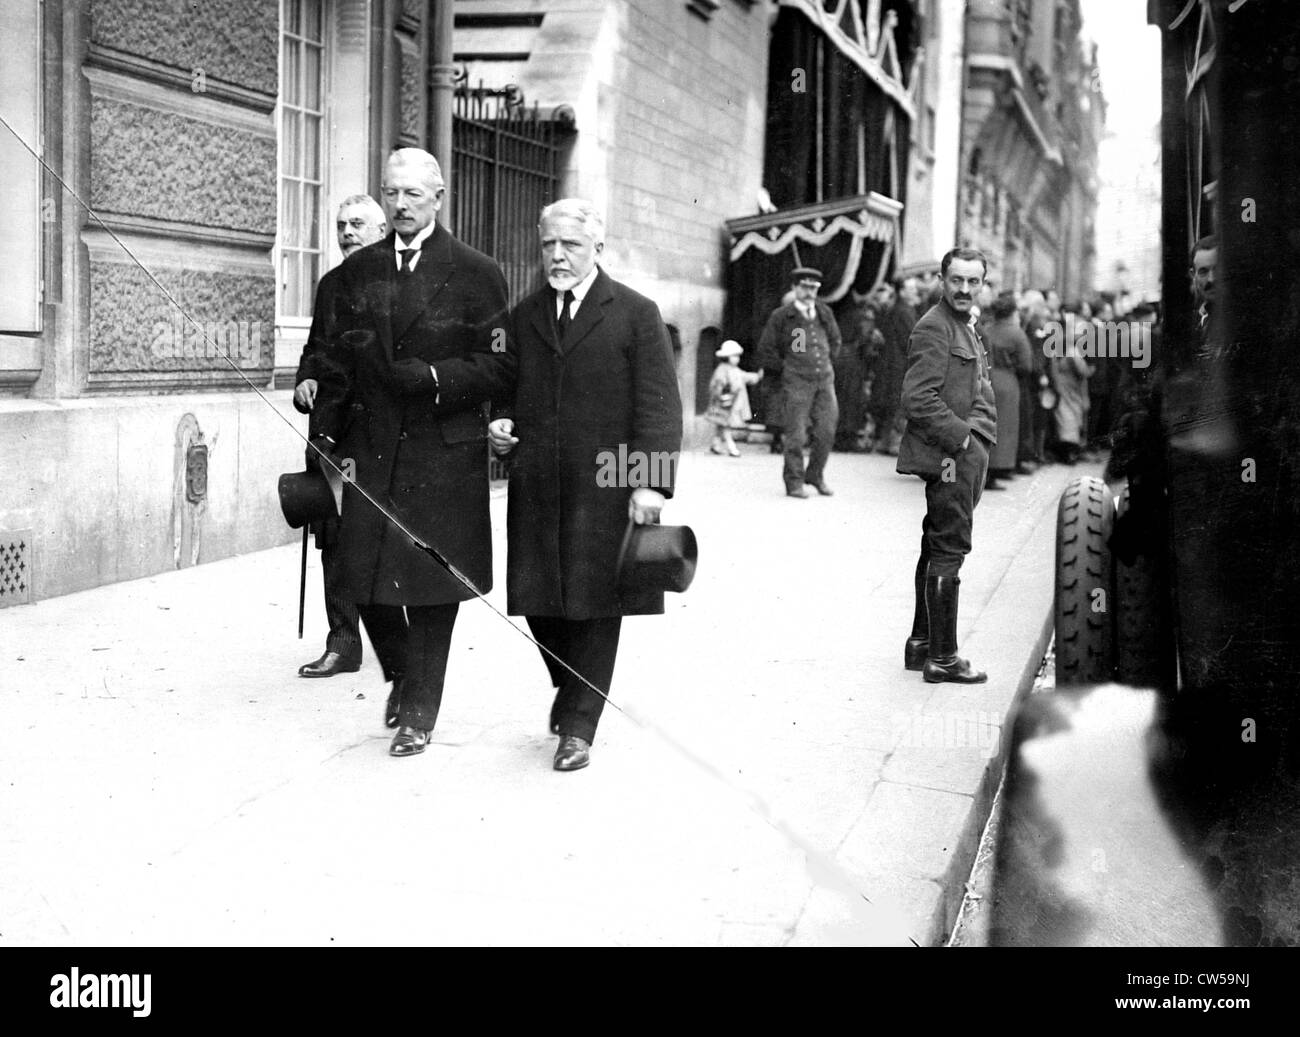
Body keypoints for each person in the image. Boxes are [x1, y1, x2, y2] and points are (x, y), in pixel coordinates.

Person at [311, 148, 515, 758]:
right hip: (369, 450)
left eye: (413, 195)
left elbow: (501, 362)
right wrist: (319, 407)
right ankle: (401, 675)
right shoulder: (355, 274)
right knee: (364, 579)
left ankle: (419, 712)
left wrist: (433, 377)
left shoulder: (478, 273)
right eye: (391, 193)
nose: (400, 204)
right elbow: (332, 354)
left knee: (430, 585)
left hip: (442, 452)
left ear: (438, 197)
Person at [488, 199, 682, 772]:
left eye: (570, 245)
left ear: (598, 249)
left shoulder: (635, 313)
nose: (557, 256)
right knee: (538, 601)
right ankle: (574, 689)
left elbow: (659, 405)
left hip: (608, 483)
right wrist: (498, 423)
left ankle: (579, 724)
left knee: (598, 603)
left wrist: (651, 485)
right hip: (540, 486)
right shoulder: (523, 317)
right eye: (548, 244)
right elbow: (506, 386)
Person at [291, 194, 386, 679]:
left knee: (389, 534)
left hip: (384, 433)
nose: (347, 232)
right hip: (332, 431)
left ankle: (400, 643)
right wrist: (305, 378)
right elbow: (315, 348)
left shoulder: (398, 284)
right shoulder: (330, 285)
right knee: (334, 533)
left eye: (357, 224)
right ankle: (343, 641)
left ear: (382, 230)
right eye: (341, 224)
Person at [897, 247, 997, 684]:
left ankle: (922, 644)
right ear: (942, 280)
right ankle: (944, 657)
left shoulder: (964, 325)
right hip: (951, 455)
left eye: (973, 281)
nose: (964, 289)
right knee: (950, 547)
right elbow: (917, 398)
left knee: (936, 542)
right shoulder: (935, 327)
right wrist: (963, 440)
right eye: (956, 280)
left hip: (960, 451)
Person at [755, 267, 841, 497]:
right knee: (796, 434)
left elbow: (835, 341)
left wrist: (826, 365)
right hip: (796, 382)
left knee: (826, 430)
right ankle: (794, 481)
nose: (809, 292)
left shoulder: (824, 312)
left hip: (824, 380)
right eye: (804, 286)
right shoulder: (782, 316)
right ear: (794, 288)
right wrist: (786, 371)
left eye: (813, 288)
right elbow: (767, 349)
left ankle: (815, 475)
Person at [985, 293, 1031, 488]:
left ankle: (985, 470)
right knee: (1005, 429)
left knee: (986, 425)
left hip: (986, 379)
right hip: (1008, 383)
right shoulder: (1017, 333)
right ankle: (996, 471)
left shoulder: (987, 329)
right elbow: (1026, 365)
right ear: (1012, 313)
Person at [867, 279, 918, 455]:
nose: (914, 292)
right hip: (899, 363)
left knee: (891, 401)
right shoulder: (904, 311)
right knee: (897, 402)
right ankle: (892, 442)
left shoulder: (897, 308)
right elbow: (911, 339)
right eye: (910, 289)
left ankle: (885, 440)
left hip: (891, 362)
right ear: (901, 292)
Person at [707, 339, 763, 456]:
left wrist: (756, 376)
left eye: (738, 356)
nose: (737, 358)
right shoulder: (722, 370)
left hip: (733, 403)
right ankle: (731, 447)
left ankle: (716, 444)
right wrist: (719, 395)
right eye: (734, 356)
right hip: (725, 402)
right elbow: (718, 384)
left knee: (722, 425)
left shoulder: (735, 370)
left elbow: (745, 376)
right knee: (726, 426)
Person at [1051, 307, 1092, 464]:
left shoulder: (1055, 348)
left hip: (1062, 387)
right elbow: (1083, 371)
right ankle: (1071, 453)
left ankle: (1064, 451)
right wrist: (1090, 371)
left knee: (1063, 417)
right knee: (1072, 418)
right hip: (1074, 389)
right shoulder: (1072, 351)